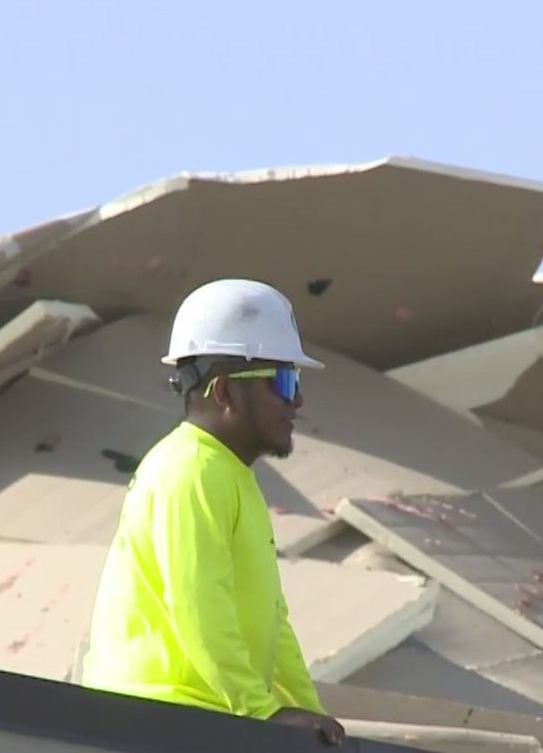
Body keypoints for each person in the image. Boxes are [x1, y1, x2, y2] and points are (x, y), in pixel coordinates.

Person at [79, 278, 347, 747]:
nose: (297, 400)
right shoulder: (191, 470)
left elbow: (272, 619)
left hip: (194, 723)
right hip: (157, 724)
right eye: (283, 381)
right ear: (224, 392)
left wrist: (312, 716)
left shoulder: (226, 472)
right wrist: (260, 711)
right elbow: (197, 603)